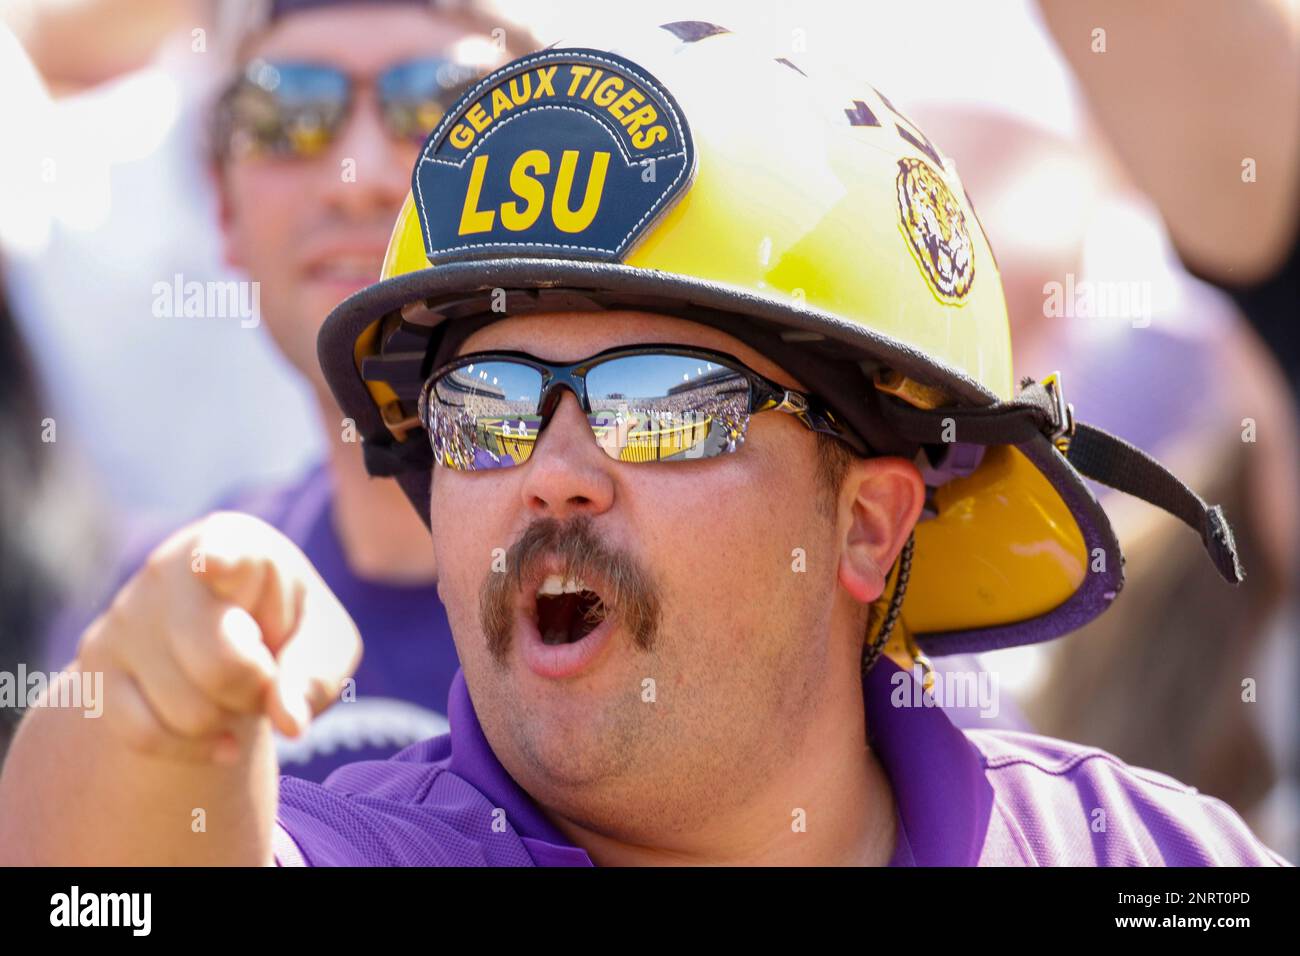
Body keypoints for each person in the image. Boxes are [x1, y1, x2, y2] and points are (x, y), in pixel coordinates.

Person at [0, 26, 1288, 866]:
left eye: (661, 399)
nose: (551, 467)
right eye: (488, 407)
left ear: (867, 522)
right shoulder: (371, 844)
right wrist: (151, 724)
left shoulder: (1144, 859)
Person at [37, 0, 534, 781]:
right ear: (223, 209)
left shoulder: (665, 572)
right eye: (285, 112)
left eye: (443, 106)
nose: (359, 178)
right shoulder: (165, 610)